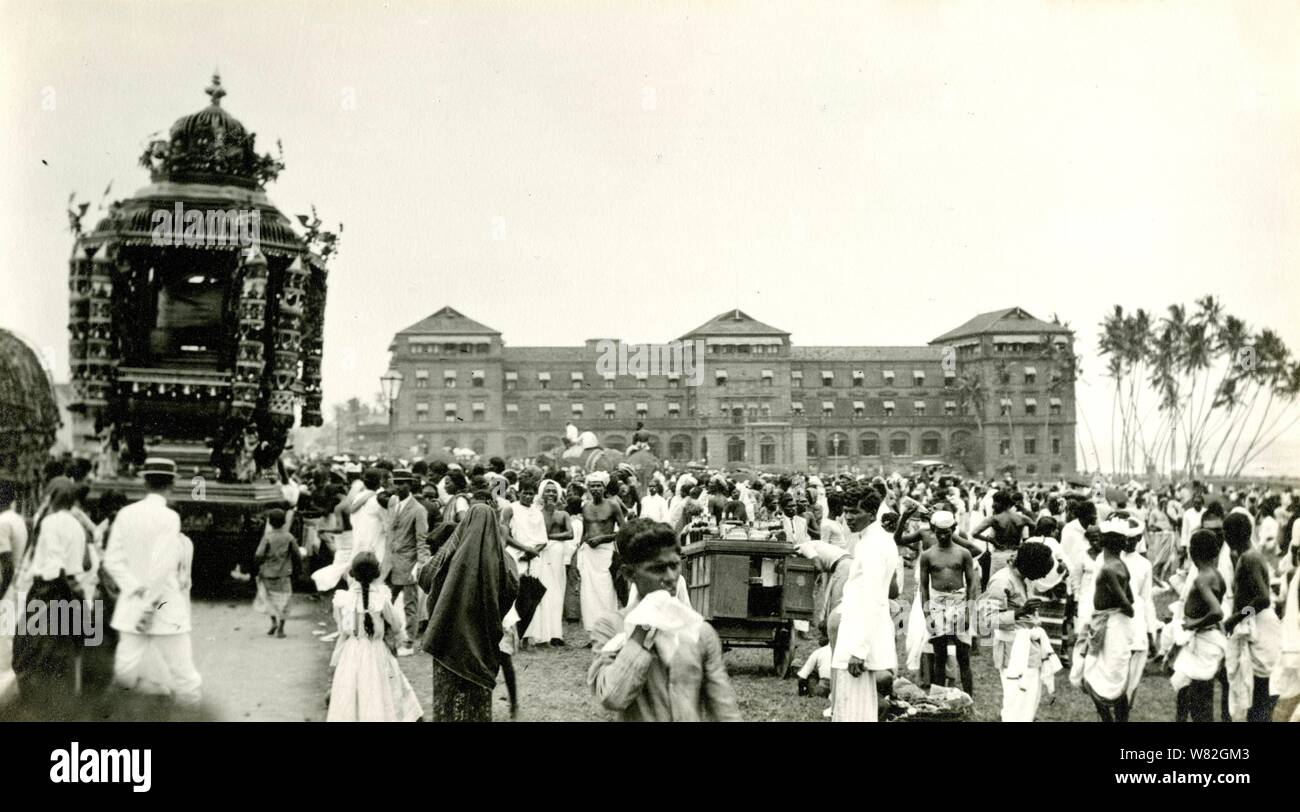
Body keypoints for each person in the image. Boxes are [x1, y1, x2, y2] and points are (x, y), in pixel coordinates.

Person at [587, 519, 740, 721]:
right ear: (629, 573)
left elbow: (724, 708)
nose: (670, 577)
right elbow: (613, 697)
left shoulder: (699, 631)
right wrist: (640, 633)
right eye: (657, 568)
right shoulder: (611, 627)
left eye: (674, 566)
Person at [103, 458, 202, 706]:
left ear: (144, 481)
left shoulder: (125, 514)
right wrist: (150, 605)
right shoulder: (169, 518)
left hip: (133, 607)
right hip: (164, 607)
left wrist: (135, 590)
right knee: (185, 678)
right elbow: (162, 566)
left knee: (124, 674)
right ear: (173, 483)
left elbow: (111, 561)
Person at [418, 503, 518, 722]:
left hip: (447, 638)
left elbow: (425, 576)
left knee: (448, 699)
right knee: (477, 700)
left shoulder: (449, 555)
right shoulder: (502, 560)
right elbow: (512, 587)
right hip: (481, 642)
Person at [10, 478, 93, 717]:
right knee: (63, 655)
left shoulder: (50, 522)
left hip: (49, 590)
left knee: (26, 652)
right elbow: (85, 563)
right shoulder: (77, 525)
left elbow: (53, 565)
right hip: (73, 591)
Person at [326, 552, 423, 722]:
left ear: (352, 573)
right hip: (376, 652)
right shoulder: (381, 597)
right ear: (376, 574)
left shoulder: (343, 600)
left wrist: (335, 661)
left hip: (351, 653)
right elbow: (396, 623)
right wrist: (398, 636)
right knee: (381, 689)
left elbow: (343, 630)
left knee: (351, 691)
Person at [983, 541, 1060, 721]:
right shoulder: (1002, 580)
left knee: (1029, 702)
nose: (1043, 575)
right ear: (1031, 566)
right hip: (1013, 651)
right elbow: (987, 620)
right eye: (1042, 571)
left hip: (1029, 648)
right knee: (1017, 705)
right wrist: (1020, 612)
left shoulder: (1025, 577)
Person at [1222, 511, 1280, 721]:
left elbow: (1263, 599)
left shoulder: (1249, 558)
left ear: (1232, 534)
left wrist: (1236, 618)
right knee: (1251, 694)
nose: (1224, 538)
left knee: (1258, 695)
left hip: (1260, 627)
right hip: (1255, 625)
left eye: (1225, 532)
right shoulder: (1246, 556)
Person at [1080, 519, 1136, 722]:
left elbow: (1128, 605)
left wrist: (1115, 610)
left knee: (1096, 674)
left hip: (1111, 627)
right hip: (1112, 624)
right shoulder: (1121, 565)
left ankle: (1109, 720)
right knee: (1113, 674)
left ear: (1105, 542)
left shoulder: (1108, 569)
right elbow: (1130, 600)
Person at [918, 510, 978, 696]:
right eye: (939, 531)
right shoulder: (927, 555)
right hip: (937, 604)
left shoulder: (964, 553)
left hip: (959, 603)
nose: (943, 535)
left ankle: (969, 699)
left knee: (963, 657)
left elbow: (972, 585)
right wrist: (928, 614)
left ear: (953, 529)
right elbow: (924, 588)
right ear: (933, 529)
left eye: (947, 531)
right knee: (939, 656)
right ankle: (939, 701)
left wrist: (968, 611)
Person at [1172, 529, 1228, 722]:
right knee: (1187, 694)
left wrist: (1192, 624)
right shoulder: (1216, 575)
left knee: (1200, 703)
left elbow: (1216, 612)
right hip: (1203, 640)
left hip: (1202, 640)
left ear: (1192, 552)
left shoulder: (1202, 578)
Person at [511, 480, 564, 646]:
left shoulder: (537, 513)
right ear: (518, 493)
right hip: (515, 555)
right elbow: (505, 535)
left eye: (530, 493)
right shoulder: (511, 509)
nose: (527, 496)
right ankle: (512, 635)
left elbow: (543, 539)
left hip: (534, 558)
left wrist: (532, 552)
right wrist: (523, 549)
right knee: (515, 595)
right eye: (524, 492)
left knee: (532, 596)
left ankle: (528, 636)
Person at [385, 469, 427, 656]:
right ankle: (386, 637)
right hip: (390, 562)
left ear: (410, 485)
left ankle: (409, 642)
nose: (398, 486)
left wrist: (419, 565)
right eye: (396, 482)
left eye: (402, 483)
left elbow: (422, 540)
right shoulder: (393, 503)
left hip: (408, 563)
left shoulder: (418, 510)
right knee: (385, 600)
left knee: (410, 605)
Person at [577, 472, 623, 633]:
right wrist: (578, 552)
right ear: (588, 488)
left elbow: (623, 532)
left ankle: (608, 629)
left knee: (606, 592)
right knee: (588, 593)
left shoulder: (613, 505)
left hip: (606, 553)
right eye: (592, 486)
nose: (595, 489)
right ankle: (592, 630)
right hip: (589, 554)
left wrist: (603, 539)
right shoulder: (586, 506)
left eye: (599, 485)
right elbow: (584, 531)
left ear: (604, 487)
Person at [1119, 517, 1157, 709]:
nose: (1127, 542)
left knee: (1133, 676)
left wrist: (1152, 633)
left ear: (1139, 538)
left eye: (1132, 538)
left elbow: (1147, 599)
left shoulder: (1144, 565)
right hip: (1117, 621)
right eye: (1124, 538)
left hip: (1137, 623)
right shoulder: (1111, 559)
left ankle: (1125, 710)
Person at [254, 508, 302, 638]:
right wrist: (299, 568)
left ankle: (273, 622)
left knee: (268, 599)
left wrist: (261, 564)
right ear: (284, 521)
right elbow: (297, 554)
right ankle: (281, 628)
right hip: (284, 574)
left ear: (269, 522)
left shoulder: (267, 537)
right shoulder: (289, 537)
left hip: (267, 573)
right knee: (284, 601)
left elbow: (258, 554)